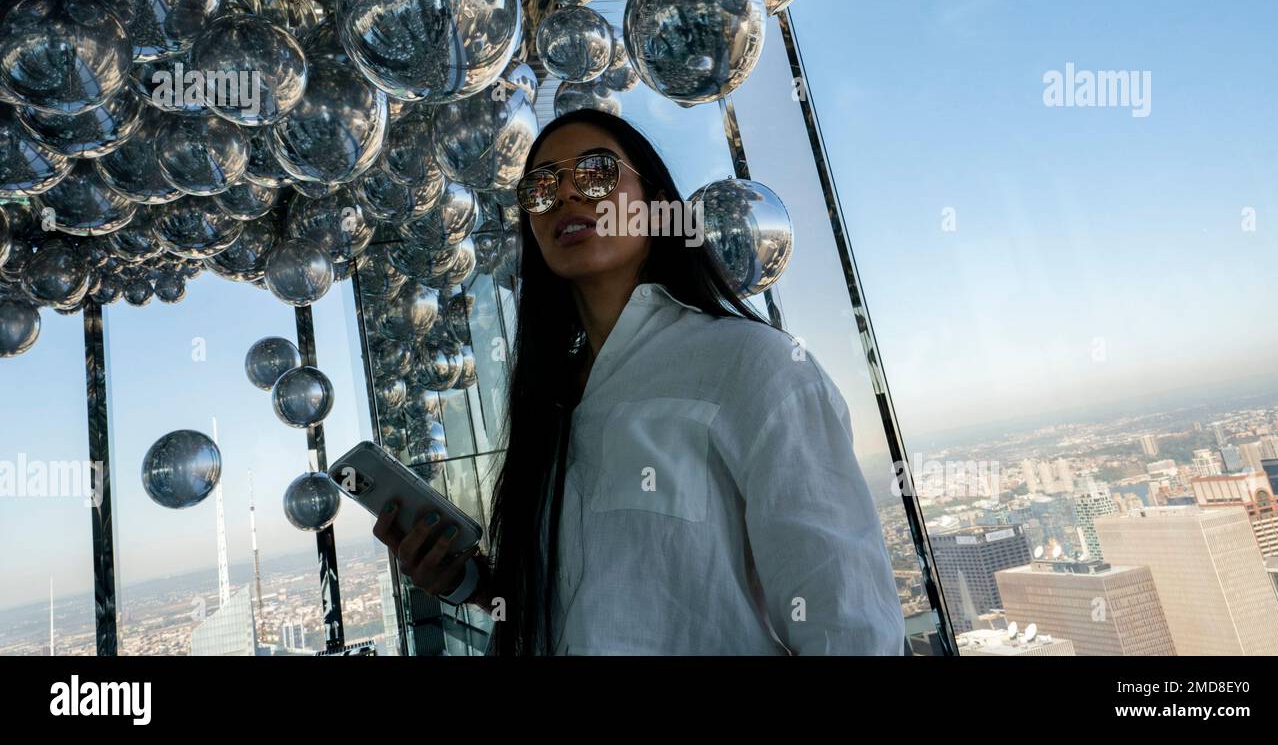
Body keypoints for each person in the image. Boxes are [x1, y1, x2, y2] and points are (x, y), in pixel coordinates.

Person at [371, 108, 905, 655]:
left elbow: (850, 628)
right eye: (541, 186)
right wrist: (469, 583)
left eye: (597, 173)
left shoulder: (752, 364)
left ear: (656, 204)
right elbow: (597, 605)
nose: (567, 197)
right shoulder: (549, 400)